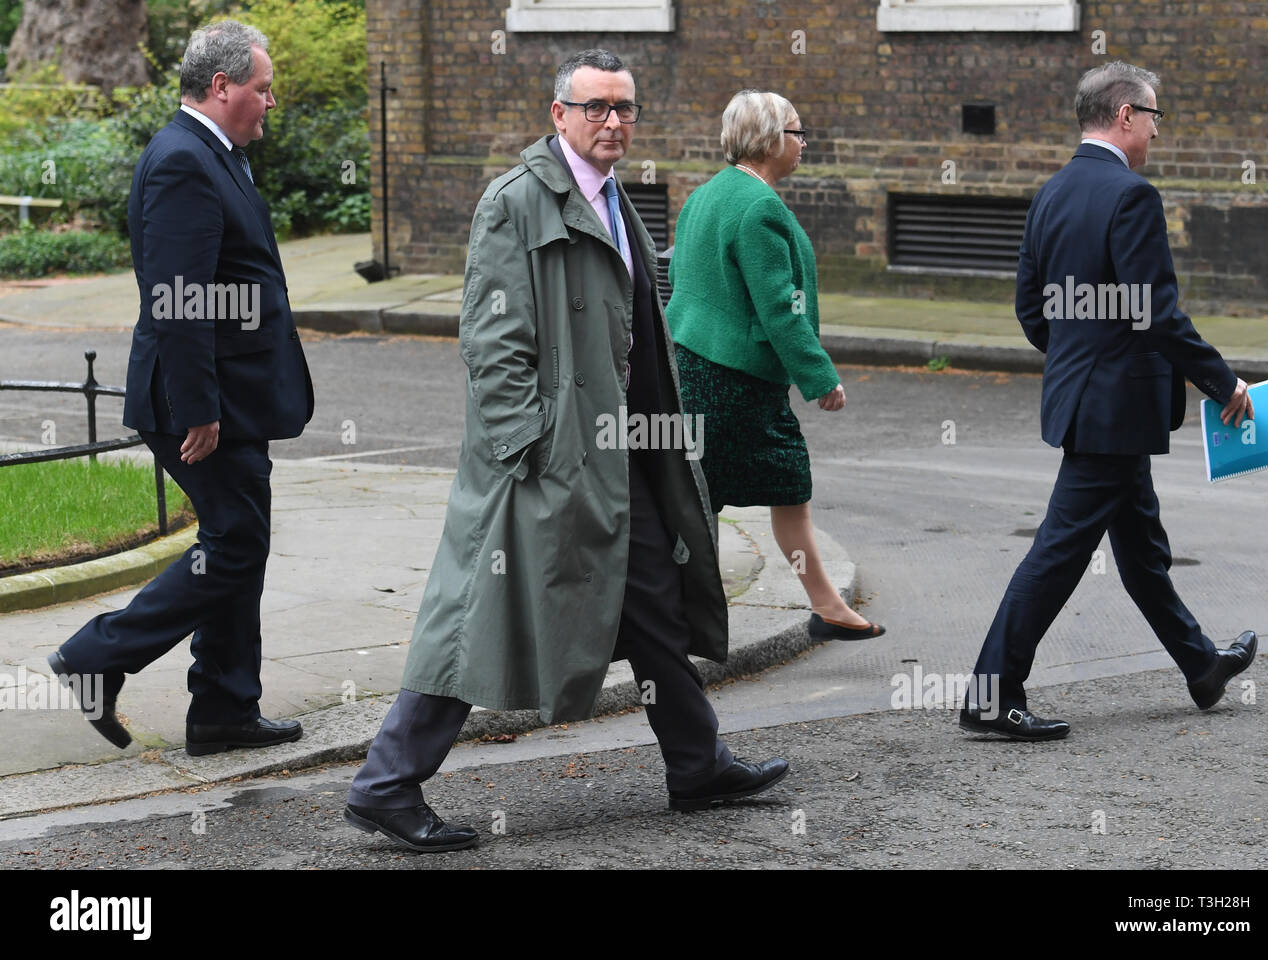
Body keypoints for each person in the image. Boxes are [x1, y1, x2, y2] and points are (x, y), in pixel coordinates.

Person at [344, 49, 788, 854]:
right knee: (476, 620)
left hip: (623, 456)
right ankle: (385, 784)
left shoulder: (619, 200)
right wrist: (530, 448)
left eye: (624, 109)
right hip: (544, 466)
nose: (612, 122)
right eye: (595, 108)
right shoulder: (516, 203)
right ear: (559, 116)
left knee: (653, 600)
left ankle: (697, 764)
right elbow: (490, 340)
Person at [959, 61, 1256, 742]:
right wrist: (1224, 382)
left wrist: (1076, 355)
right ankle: (990, 692)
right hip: (1114, 409)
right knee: (1059, 551)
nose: (1156, 130)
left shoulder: (1052, 192)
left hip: (1091, 401)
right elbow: (1157, 314)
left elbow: (1032, 310)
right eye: (1154, 116)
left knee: (1142, 551)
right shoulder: (1132, 196)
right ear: (1125, 115)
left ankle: (1202, 665)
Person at [47, 21, 313, 757]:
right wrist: (199, 408)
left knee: (238, 543)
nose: (269, 102)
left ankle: (225, 710)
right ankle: (95, 656)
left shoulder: (214, 154)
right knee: (235, 545)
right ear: (222, 87)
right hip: (199, 405)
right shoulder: (182, 163)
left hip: (233, 397)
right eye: (262, 89)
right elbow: (178, 297)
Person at [666, 89, 884, 642]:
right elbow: (780, 309)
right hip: (735, 384)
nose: (803, 141)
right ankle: (694, 619)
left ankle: (811, 607)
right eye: (795, 130)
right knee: (783, 485)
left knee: (709, 495)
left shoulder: (708, 193)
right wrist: (819, 377)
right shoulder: (759, 206)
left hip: (694, 369)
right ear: (767, 140)